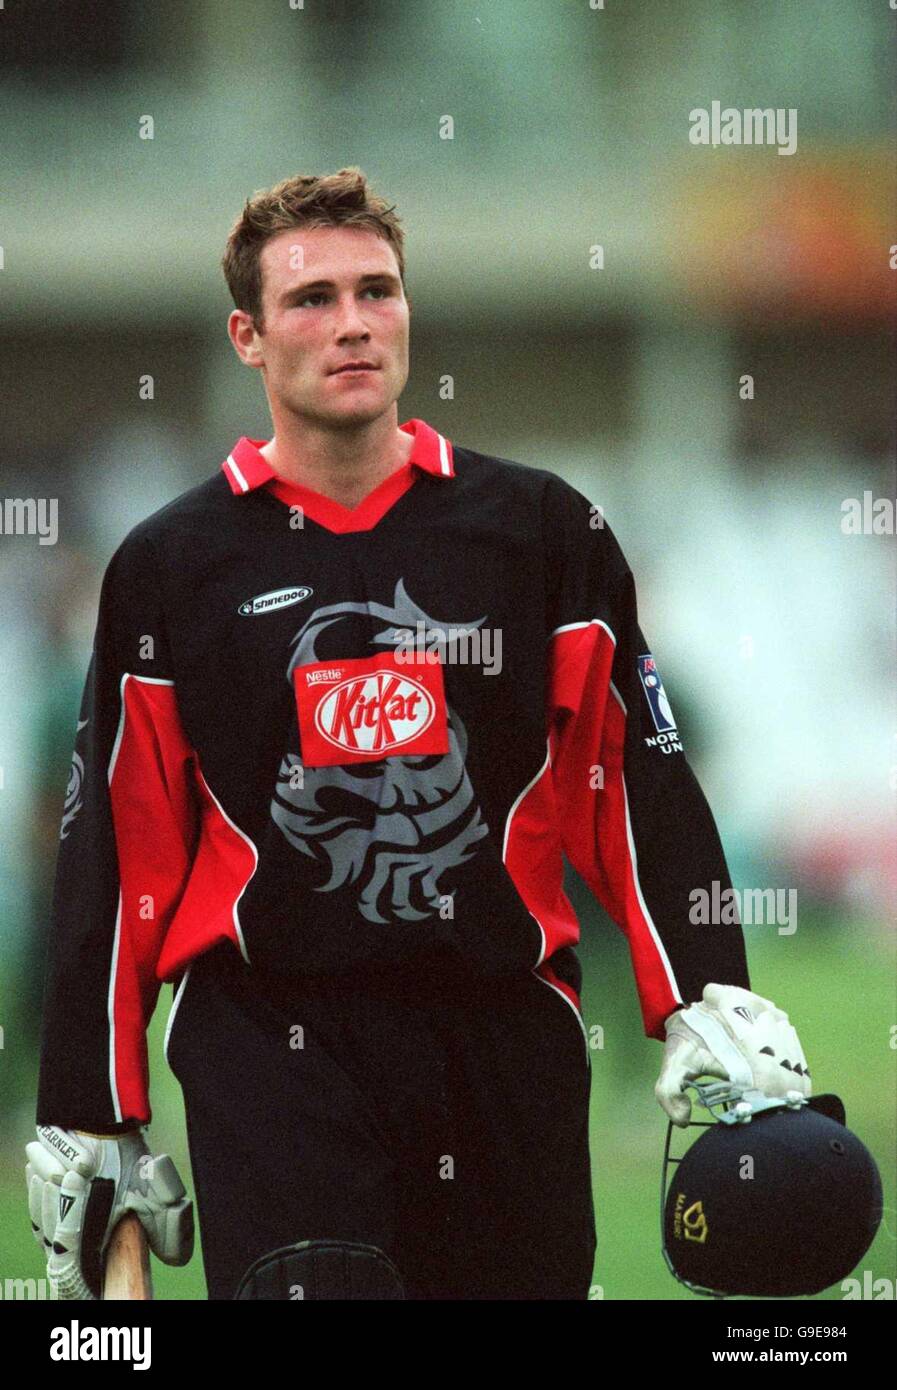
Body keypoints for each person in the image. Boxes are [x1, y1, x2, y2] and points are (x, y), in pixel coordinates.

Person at [26, 168, 810, 1301]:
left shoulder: (544, 531)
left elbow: (633, 775)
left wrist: (710, 995)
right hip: (272, 1039)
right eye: (310, 299)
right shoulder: (170, 564)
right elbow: (120, 847)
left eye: (376, 291)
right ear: (247, 335)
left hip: (505, 1037)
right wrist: (92, 1109)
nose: (351, 322)